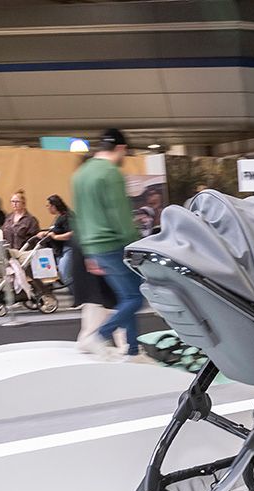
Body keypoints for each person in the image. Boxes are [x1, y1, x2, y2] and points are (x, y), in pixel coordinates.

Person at [73, 128, 151, 362]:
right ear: (120, 149)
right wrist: (137, 245)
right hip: (115, 244)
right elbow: (121, 216)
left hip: (94, 246)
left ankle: (133, 350)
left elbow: (79, 217)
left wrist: (88, 253)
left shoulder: (80, 174)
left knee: (126, 296)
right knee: (135, 298)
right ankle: (100, 335)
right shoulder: (111, 173)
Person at [39, 194, 74, 287]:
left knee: (65, 274)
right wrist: (46, 233)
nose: (47, 208)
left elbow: (72, 233)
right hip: (59, 250)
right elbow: (56, 230)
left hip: (68, 248)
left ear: (54, 206)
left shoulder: (66, 216)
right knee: (63, 275)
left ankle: (79, 297)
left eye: (48, 206)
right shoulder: (57, 217)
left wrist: (55, 237)